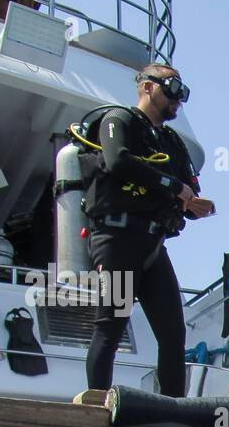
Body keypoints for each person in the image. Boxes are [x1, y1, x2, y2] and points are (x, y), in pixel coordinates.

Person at [82, 63, 214, 397]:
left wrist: (193, 204)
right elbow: (117, 162)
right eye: (172, 89)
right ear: (148, 87)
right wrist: (174, 188)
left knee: (173, 332)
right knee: (111, 326)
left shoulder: (172, 141)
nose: (178, 100)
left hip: (153, 244)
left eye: (183, 93)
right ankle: (96, 404)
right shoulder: (119, 120)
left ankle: (174, 407)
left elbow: (187, 189)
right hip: (118, 239)